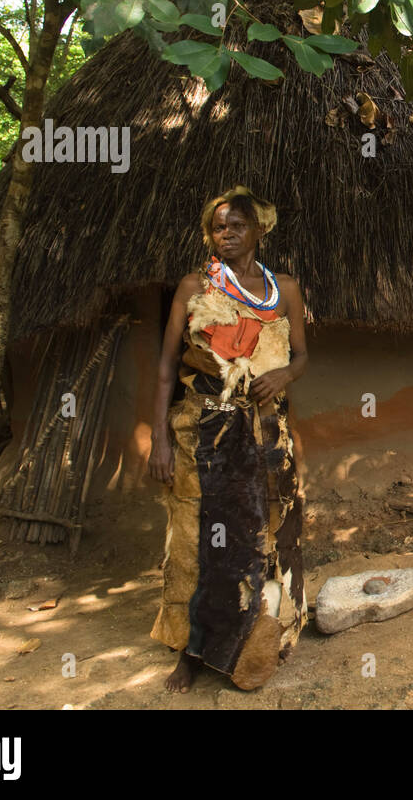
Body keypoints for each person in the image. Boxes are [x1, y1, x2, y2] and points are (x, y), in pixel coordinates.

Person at [147, 186, 309, 693]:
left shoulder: (284, 289)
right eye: (219, 226)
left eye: (238, 224)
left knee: (265, 535)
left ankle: (260, 640)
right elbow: (167, 366)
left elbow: (302, 355)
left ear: (260, 229)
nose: (228, 233)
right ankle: (190, 651)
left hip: (264, 432)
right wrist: (160, 439)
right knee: (196, 541)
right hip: (203, 435)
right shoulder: (194, 288)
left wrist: (282, 376)